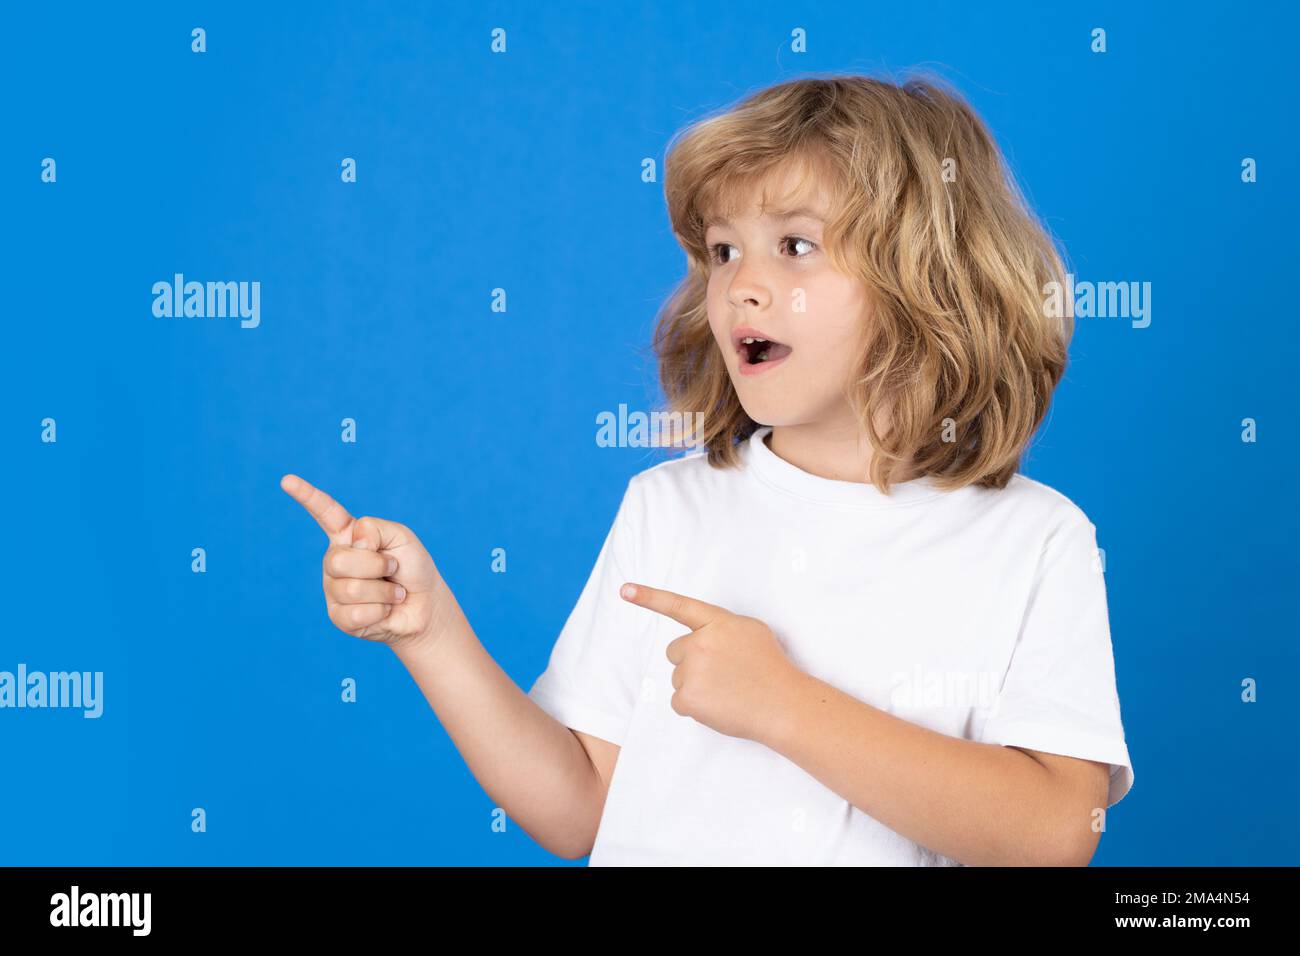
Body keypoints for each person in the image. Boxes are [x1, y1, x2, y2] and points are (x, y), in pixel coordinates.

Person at [282, 73, 1134, 866]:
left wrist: (782, 704)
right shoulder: (668, 507)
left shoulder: (1033, 539)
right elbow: (582, 804)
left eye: (795, 245)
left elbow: (1058, 828)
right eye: (724, 252)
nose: (741, 288)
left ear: (932, 281)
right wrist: (432, 636)